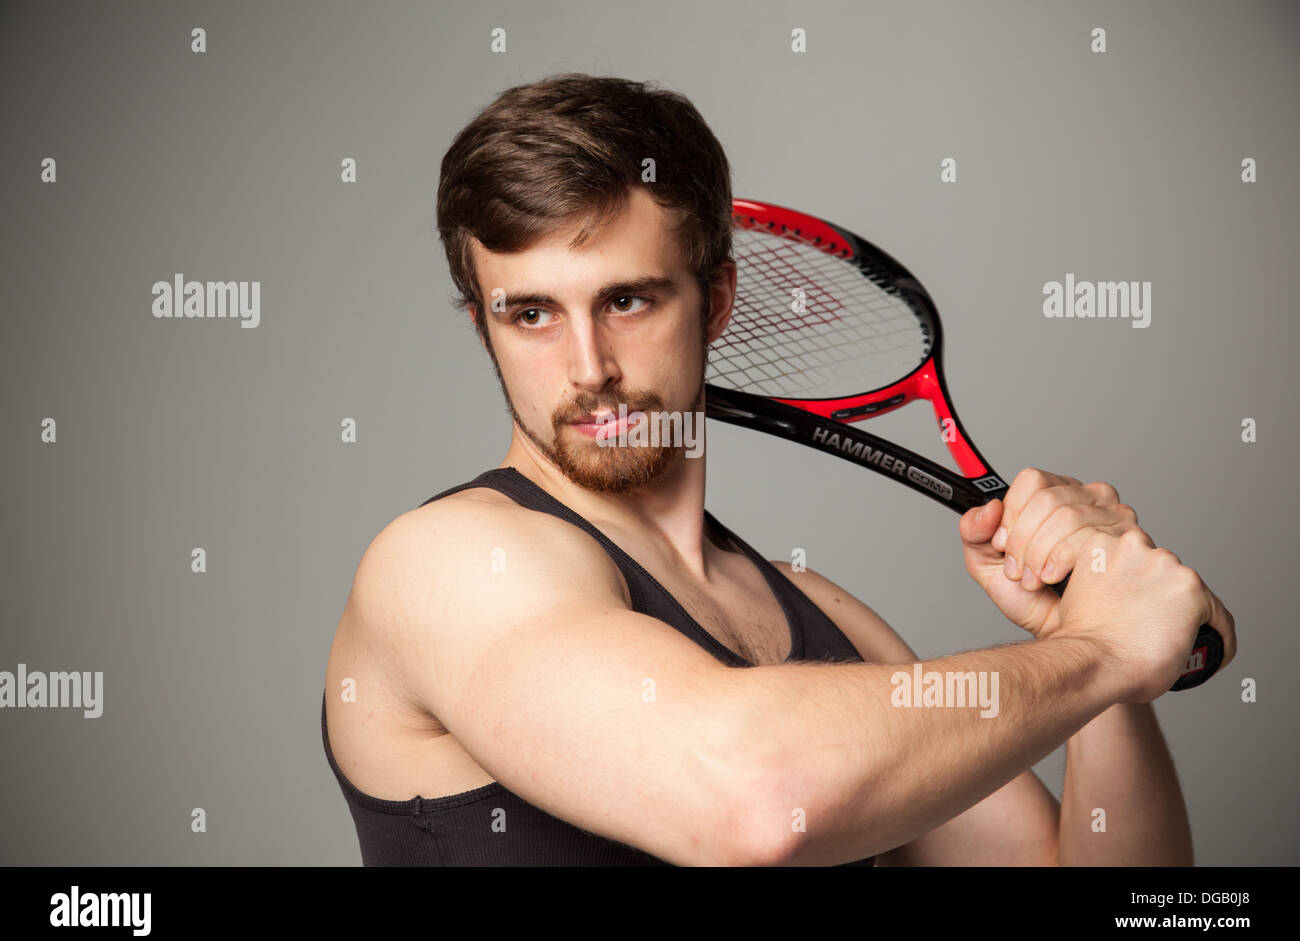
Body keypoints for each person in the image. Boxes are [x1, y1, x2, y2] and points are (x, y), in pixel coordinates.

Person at [322, 72, 1236, 866]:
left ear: (716, 298)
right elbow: (752, 801)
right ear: (482, 325)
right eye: (530, 315)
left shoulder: (830, 622)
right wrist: (1107, 649)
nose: (587, 365)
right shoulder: (446, 564)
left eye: (628, 299)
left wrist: (1101, 654)